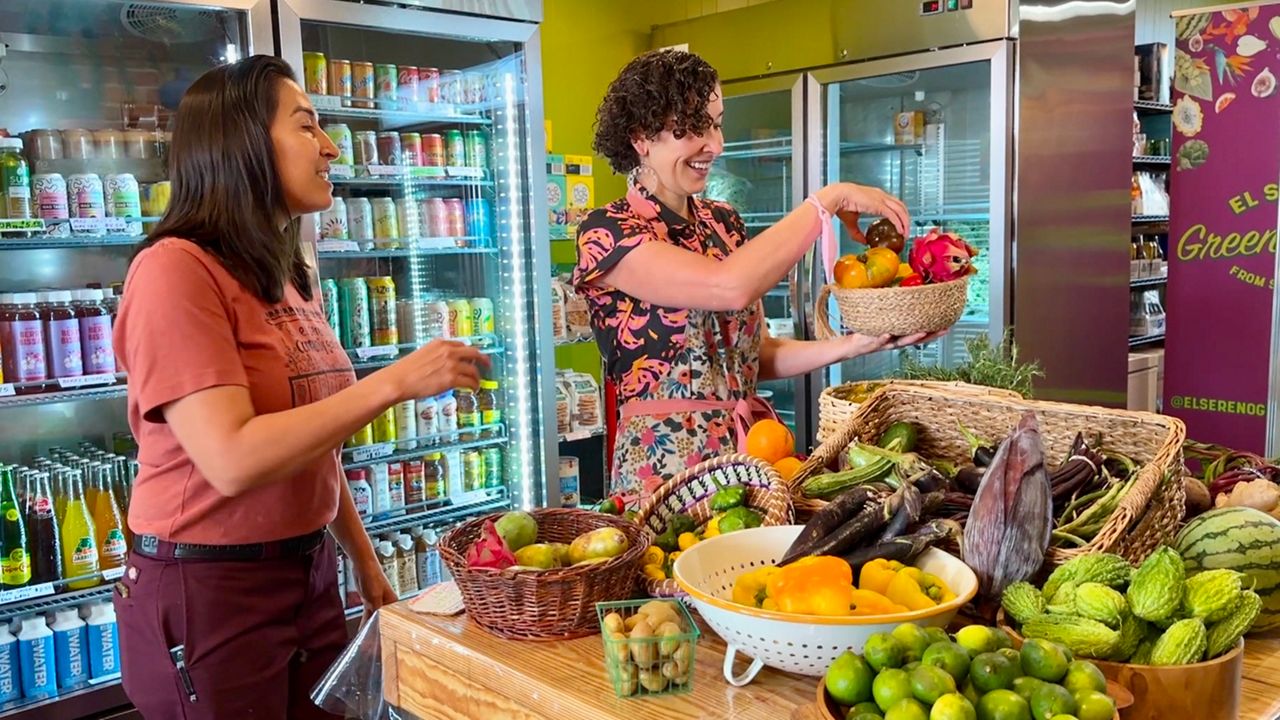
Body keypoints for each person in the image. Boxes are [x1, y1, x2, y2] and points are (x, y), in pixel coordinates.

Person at [112, 55, 487, 719]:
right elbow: (233, 458)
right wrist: (394, 383)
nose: (331, 146)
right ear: (244, 145)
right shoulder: (175, 271)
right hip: (209, 585)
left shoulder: (284, 272)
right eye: (308, 126)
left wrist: (365, 567)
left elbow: (313, 441)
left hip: (308, 574)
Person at [572, 49, 941, 498]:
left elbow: (753, 357)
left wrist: (856, 344)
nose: (716, 144)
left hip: (754, 457)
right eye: (694, 127)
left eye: (717, 123)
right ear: (641, 138)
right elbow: (727, 286)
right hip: (664, 471)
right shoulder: (607, 232)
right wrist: (827, 201)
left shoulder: (723, 222)